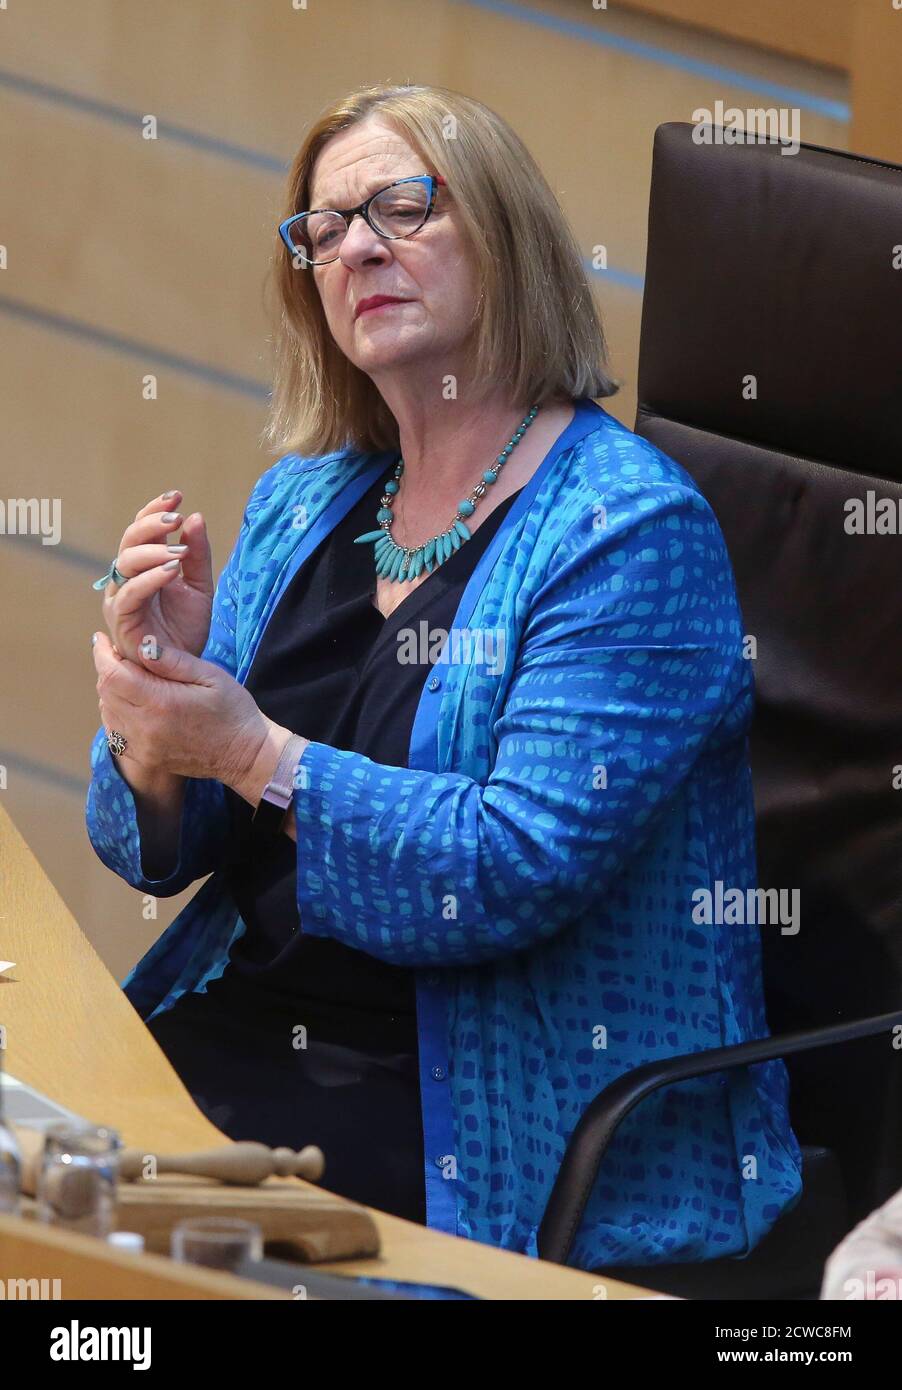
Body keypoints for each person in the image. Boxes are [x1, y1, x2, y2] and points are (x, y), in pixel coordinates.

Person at [85, 82, 802, 1269]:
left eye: (401, 206)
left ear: (506, 239)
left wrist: (250, 748)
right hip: (249, 1017)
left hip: (474, 1097)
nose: (356, 244)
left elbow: (507, 865)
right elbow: (161, 847)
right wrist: (155, 727)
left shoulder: (625, 532)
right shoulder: (306, 497)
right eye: (323, 229)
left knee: (103, 1271)